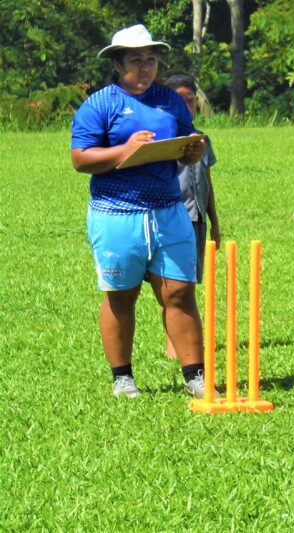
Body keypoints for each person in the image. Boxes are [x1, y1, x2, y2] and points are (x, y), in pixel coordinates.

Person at [70, 24, 208, 398]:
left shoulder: (170, 100)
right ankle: (123, 378)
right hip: (116, 213)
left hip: (168, 209)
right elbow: (80, 159)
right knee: (121, 295)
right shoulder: (100, 104)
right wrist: (124, 150)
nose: (145, 67)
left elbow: (187, 135)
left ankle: (195, 376)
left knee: (180, 292)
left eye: (151, 60)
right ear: (117, 64)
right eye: (136, 60)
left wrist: (192, 150)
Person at [163, 74, 221, 360]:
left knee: (191, 278)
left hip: (197, 217)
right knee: (173, 282)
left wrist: (215, 222)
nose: (187, 105)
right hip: (173, 215)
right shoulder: (164, 137)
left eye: (191, 100)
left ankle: (185, 337)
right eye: (180, 100)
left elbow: (206, 181)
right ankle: (173, 343)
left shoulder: (202, 139)